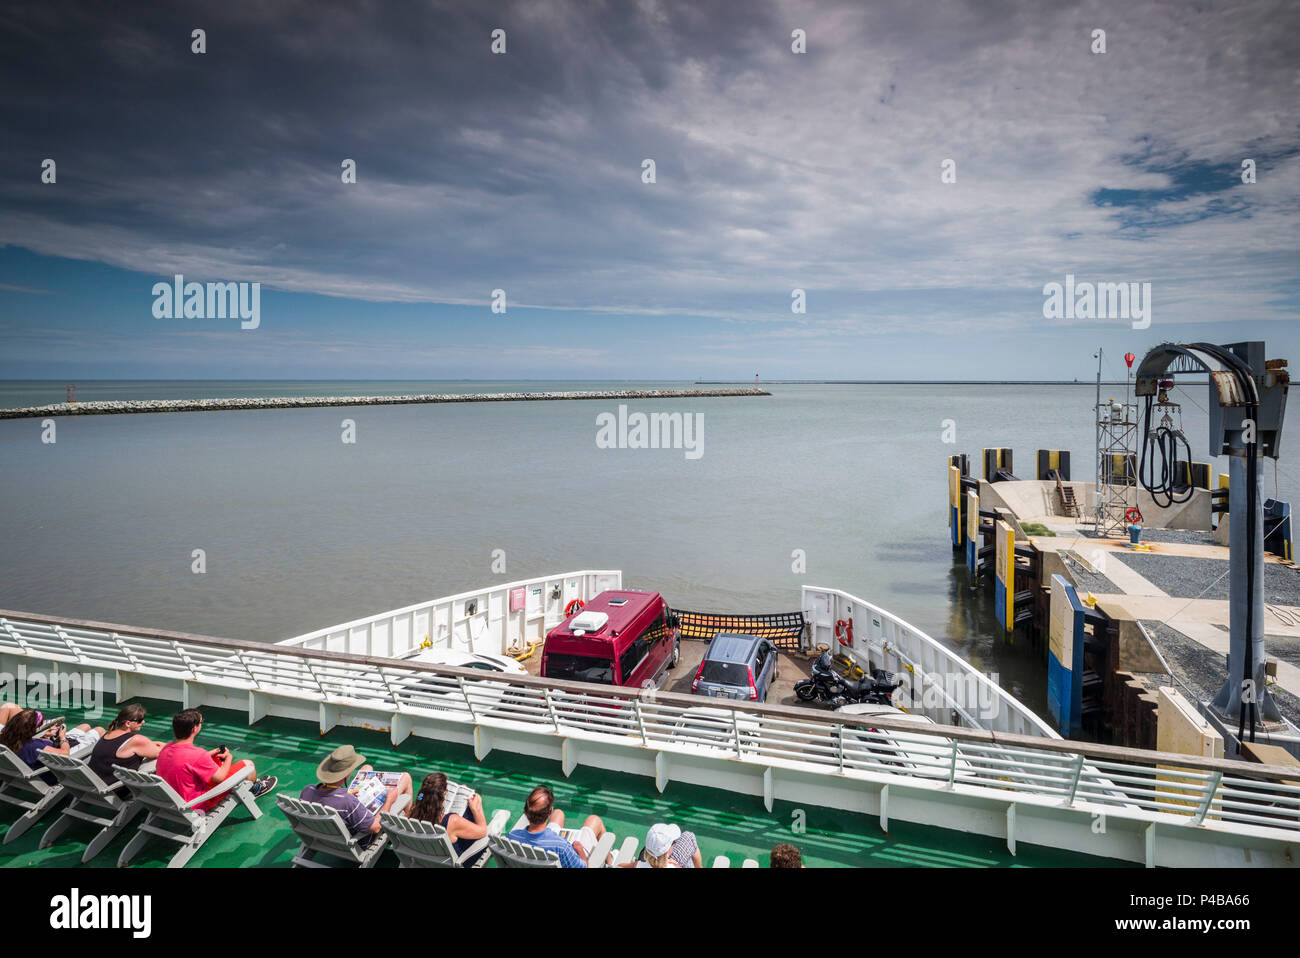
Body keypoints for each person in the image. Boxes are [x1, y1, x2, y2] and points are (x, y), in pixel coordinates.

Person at [155, 708, 276, 810]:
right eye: (201, 722)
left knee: (216, 760)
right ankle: (255, 788)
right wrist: (229, 758)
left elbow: (184, 761)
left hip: (174, 799)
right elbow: (219, 778)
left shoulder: (166, 749)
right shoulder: (197, 754)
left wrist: (209, 755)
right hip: (198, 803)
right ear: (194, 729)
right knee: (248, 765)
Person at [299, 744, 413, 840]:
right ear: (346, 775)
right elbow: (376, 827)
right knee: (406, 777)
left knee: (367, 768)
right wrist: (389, 800)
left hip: (326, 836)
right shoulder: (348, 801)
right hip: (360, 838)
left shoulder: (307, 790)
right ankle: (408, 827)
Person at [506, 784, 611, 868]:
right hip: (566, 853)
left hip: (537, 850)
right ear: (549, 811)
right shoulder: (561, 847)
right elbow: (583, 866)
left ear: (526, 811)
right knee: (594, 820)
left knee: (559, 813)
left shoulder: (512, 837)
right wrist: (579, 850)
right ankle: (610, 862)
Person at [405, 771, 488, 866]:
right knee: (469, 813)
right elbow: (483, 831)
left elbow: (420, 798)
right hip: (454, 862)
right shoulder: (452, 821)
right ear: (444, 794)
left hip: (423, 856)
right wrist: (476, 808)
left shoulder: (413, 811)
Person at [0, 709, 104, 784]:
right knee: (100, 730)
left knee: (85, 726)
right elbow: (65, 754)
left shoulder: (6, 737)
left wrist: (44, 737)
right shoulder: (35, 746)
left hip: (40, 759)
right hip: (54, 769)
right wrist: (63, 737)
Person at [88, 704, 165, 783]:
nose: (143, 722)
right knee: (160, 759)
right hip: (116, 788)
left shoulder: (108, 734)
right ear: (128, 723)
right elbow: (162, 752)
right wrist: (163, 745)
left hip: (94, 783)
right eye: (140, 720)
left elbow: (146, 744)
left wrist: (154, 743)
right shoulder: (136, 740)